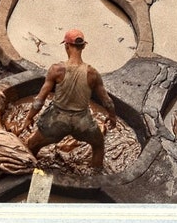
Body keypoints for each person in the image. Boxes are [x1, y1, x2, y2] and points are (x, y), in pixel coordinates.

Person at [25, 29, 118, 172]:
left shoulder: (57, 70)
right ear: (84, 46)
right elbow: (107, 102)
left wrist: (29, 117)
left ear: (66, 46)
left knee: (31, 145)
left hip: (56, 120)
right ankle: (96, 176)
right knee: (98, 145)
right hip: (82, 122)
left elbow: (39, 100)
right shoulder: (92, 73)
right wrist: (112, 117)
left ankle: (28, 173)